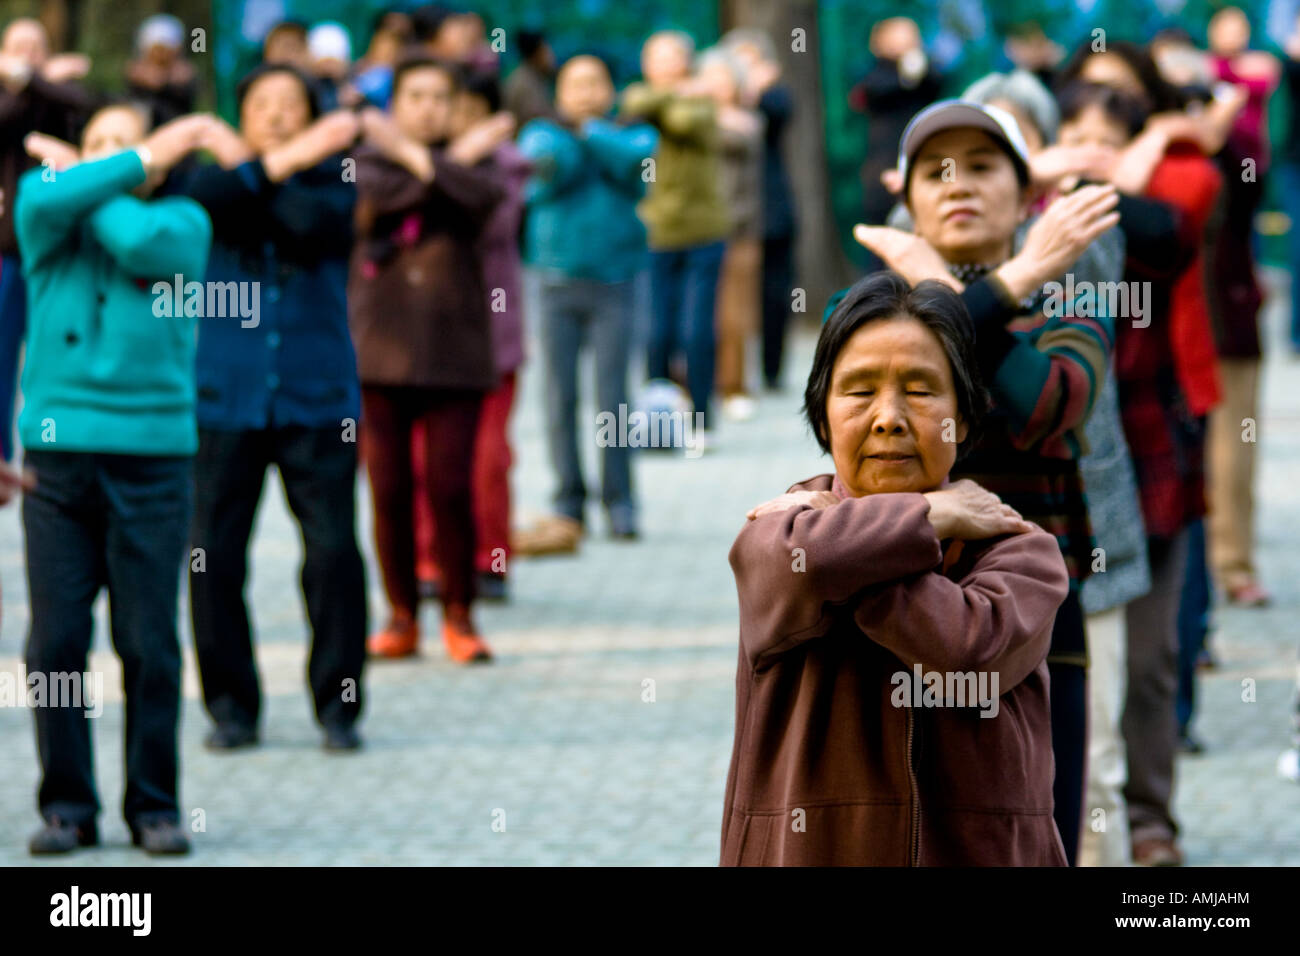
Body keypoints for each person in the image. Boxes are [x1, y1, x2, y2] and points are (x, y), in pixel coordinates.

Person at [722, 271, 1068, 866]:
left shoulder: (1021, 551)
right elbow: (804, 567)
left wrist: (856, 546)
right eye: (859, 391)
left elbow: (963, 650)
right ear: (823, 418)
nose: (889, 417)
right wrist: (929, 513)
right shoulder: (776, 534)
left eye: (920, 390)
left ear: (963, 414)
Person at [854, 100, 1121, 865]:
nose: (957, 185)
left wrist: (957, 287)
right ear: (905, 197)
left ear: (1025, 191)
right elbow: (860, 425)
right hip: (894, 611)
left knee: (1038, 834)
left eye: (981, 167)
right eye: (935, 171)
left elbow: (1044, 404)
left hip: (1038, 623)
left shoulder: (1074, 298)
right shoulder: (863, 310)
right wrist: (1011, 279)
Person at [16, 104, 213, 855]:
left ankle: (153, 805)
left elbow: (132, 239)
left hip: (154, 459)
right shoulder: (46, 223)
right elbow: (37, 197)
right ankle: (67, 805)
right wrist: (125, 164)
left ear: (158, 164)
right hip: (58, 466)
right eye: (97, 146)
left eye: (127, 145)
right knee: (55, 643)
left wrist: (86, 174)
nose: (113, 157)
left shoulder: (184, 223)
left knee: (149, 641)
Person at [181, 64, 368, 752]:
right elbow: (211, 198)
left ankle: (339, 705)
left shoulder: (336, 183)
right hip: (223, 399)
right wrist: (271, 165)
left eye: (293, 106)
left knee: (331, 555)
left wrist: (267, 170)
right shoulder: (208, 183)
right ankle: (232, 707)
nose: (278, 116)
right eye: (263, 106)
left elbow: (303, 225)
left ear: (316, 116)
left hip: (317, 397)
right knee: (213, 556)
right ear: (241, 116)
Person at [350, 57, 503, 662]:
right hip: (379, 353)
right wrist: (444, 166)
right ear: (393, 104)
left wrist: (427, 161)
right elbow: (372, 205)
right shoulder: (364, 162)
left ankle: (460, 614)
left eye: (440, 96)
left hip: (454, 353)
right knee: (387, 489)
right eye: (414, 96)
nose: (427, 108)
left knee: (450, 488)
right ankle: (400, 612)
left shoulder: (483, 164)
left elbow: (482, 200)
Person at [518, 54, 657, 543]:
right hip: (555, 281)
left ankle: (620, 502)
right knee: (559, 396)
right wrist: (585, 138)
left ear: (612, 90)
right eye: (574, 84)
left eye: (595, 82)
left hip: (617, 280)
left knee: (613, 397)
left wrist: (592, 130)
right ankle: (568, 502)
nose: (584, 91)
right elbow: (548, 170)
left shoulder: (637, 133)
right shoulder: (540, 132)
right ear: (557, 93)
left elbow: (636, 167)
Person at [413, 67, 527, 603]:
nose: (447, 117)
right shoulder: (404, 165)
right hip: (419, 343)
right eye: (435, 104)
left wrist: (450, 166)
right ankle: (427, 561)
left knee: (485, 458)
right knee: (418, 459)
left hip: (490, 337)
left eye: (458, 106)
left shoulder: (505, 164)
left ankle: (490, 558)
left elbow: (493, 227)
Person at [622, 31, 729, 435]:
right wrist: (676, 93)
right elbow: (633, 102)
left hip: (704, 230)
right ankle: (657, 421)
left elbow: (684, 123)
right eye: (657, 58)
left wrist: (670, 98)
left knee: (696, 330)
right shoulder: (670, 95)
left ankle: (701, 418)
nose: (666, 66)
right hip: (656, 231)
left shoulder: (701, 102)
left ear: (688, 60)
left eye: (673, 58)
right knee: (657, 332)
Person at [0, 17, 94, 463]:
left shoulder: (60, 97)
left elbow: (87, 104)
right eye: (18, 47)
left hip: (57, 252)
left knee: (55, 349)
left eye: (36, 48)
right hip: (6, 253)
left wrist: (32, 80)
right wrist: (31, 82)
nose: (27, 55)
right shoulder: (15, 97)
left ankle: (52, 445)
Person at [721, 28, 797, 393]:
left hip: (773, 209)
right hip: (729, 214)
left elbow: (778, 115)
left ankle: (771, 369)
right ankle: (728, 375)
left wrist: (752, 91)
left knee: (774, 293)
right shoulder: (714, 105)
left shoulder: (775, 98)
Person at [697, 46, 763, 422]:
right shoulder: (696, 119)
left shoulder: (746, 121)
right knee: (699, 313)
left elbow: (734, 136)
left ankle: (735, 385)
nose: (716, 86)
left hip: (738, 227)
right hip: (697, 228)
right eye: (711, 78)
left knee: (734, 313)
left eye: (724, 78)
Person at [849, 18, 942, 233]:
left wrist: (917, 68)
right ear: (881, 41)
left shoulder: (924, 71)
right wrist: (905, 78)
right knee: (883, 233)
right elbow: (872, 93)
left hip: (920, 163)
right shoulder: (874, 76)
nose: (909, 40)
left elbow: (936, 84)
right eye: (900, 34)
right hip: (883, 168)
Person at [125, 14, 196, 128]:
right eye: (157, 50)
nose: (161, 55)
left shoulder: (183, 76)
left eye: (165, 50)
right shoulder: (137, 74)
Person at [502, 29, 556, 128]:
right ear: (537, 54)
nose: (551, 56)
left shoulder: (532, 76)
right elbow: (539, 118)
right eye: (546, 51)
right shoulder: (524, 82)